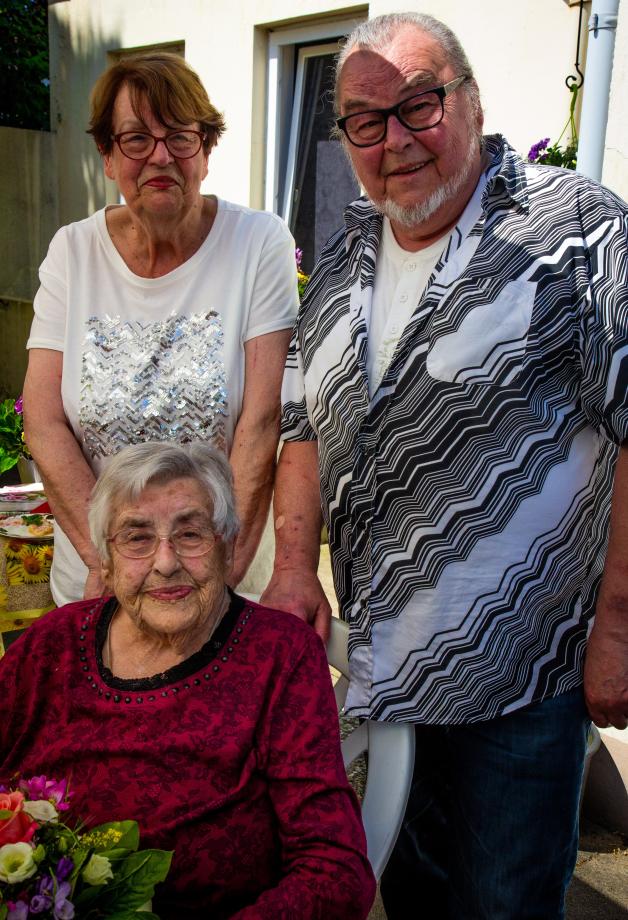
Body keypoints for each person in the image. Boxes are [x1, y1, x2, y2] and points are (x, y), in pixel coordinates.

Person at [261, 11, 628, 920]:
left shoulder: (574, 227)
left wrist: (619, 625)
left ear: (469, 100)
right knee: (410, 894)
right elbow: (303, 423)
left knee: (501, 904)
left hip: (521, 681)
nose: (395, 139)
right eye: (364, 120)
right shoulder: (345, 252)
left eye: (418, 105)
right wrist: (294, 569)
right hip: (383, 681)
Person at [0, 441, 376, 920]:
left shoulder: (279, 654)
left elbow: (334, 871)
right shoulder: (53, 643)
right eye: (136, 538)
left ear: (228, 547)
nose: (165, 562)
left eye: (191, 534)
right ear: (107, 562)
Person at [22, 51, 298, 607]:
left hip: (224, 581)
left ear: (206, 148)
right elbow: (45, 423)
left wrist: (215, 576)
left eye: (180, 137)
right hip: (97, 585)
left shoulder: (257, 244)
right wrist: (114, 563)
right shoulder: (72, 253)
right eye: (136, 139)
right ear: (106, 155)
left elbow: (263, 421)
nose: (160, 157)